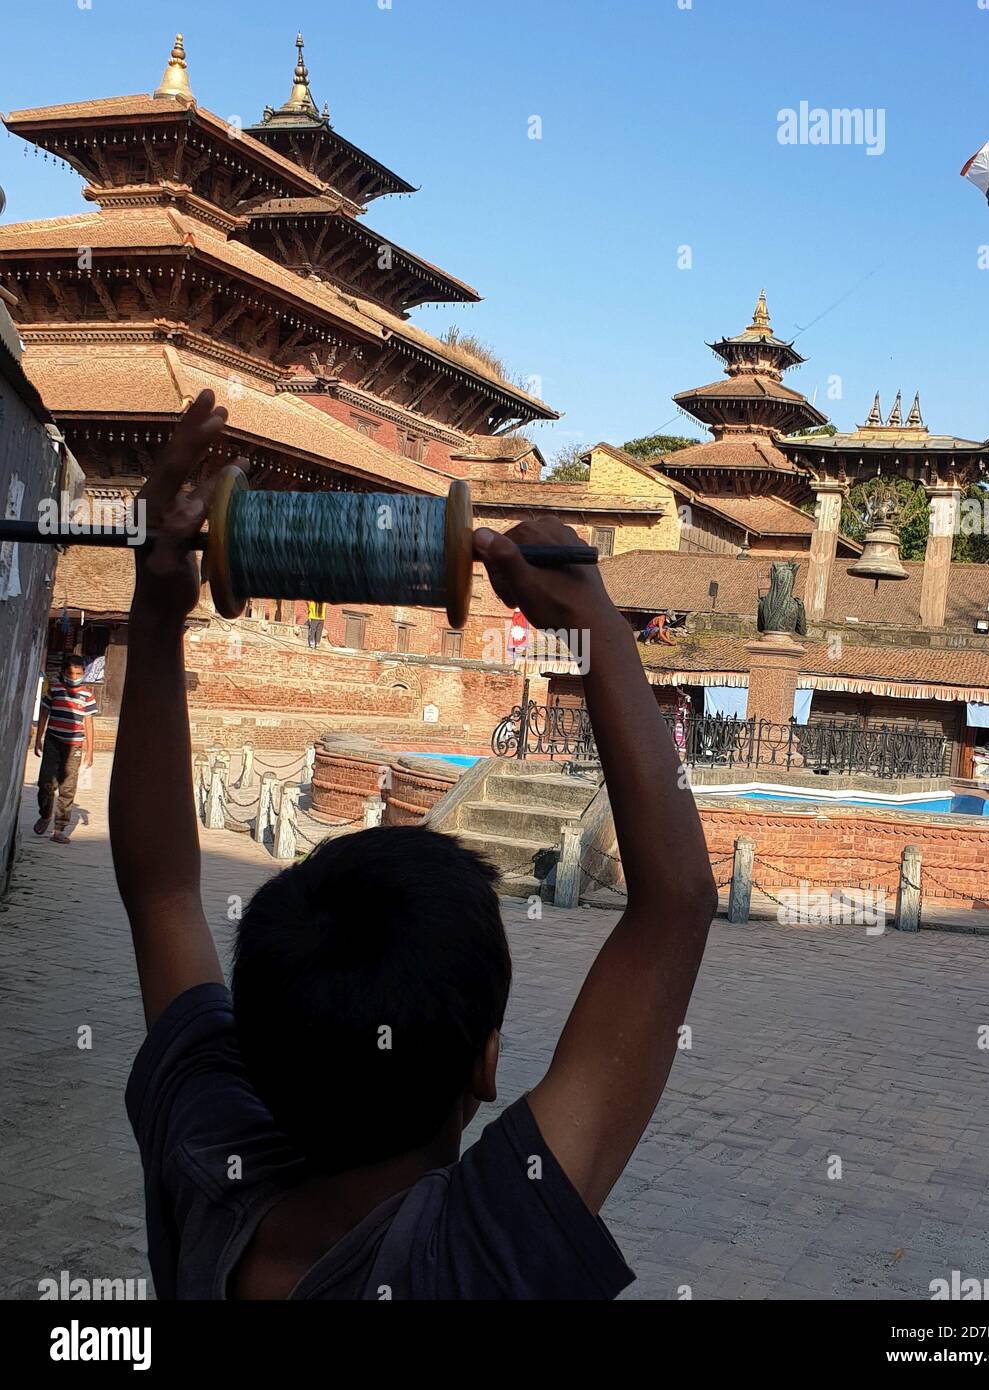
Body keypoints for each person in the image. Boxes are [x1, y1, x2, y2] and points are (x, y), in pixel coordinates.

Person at [109, 391, 717, 1301]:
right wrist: (595, 618)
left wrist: (151, 618)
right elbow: (675, 905)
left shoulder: (209, 1166)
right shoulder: (468, 1257)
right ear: (485, 1065)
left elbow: (161, 892)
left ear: (257, 1046)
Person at [34, 653, 96, 845]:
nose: (74, 676)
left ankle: (59, 829)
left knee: (67, 787)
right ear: (63, 672)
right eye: (70, 672)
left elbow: (88, 723)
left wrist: (90, 751)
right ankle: (45, 814)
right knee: (46, 782)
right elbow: (44, 714)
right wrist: (38, 738)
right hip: (53, 741)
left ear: (84, 673)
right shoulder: (55, 690)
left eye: (78, 673)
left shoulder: (88, 696)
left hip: (74, 744)